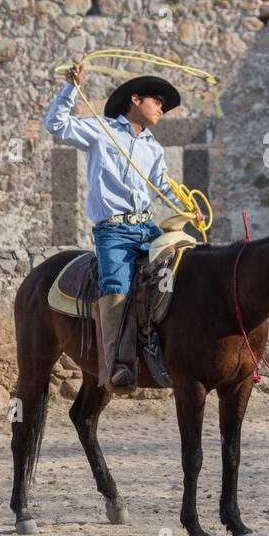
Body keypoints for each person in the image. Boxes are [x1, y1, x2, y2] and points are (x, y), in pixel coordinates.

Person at [42, 65, 204, 387]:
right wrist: (71, 88)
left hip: (147, 227)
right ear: (134, 99)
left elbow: (164, 185)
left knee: (185, 265)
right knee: (115, 285)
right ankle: (116, 362)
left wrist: (189, 207)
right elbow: (56, 125)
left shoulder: (153, 148)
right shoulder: (101, 130)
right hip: (113, 232)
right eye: (156, 101)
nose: (161, 108)